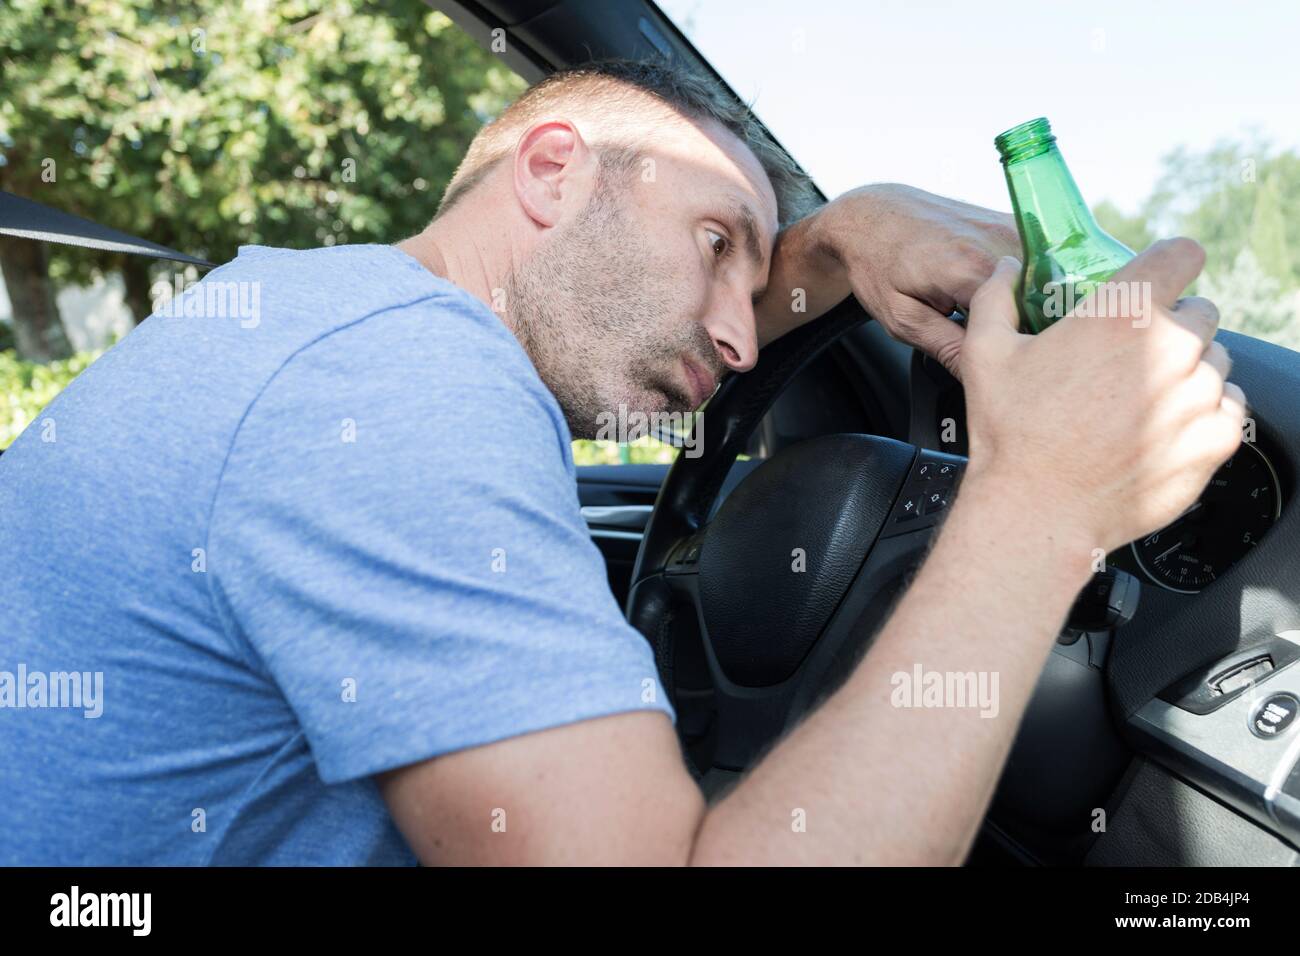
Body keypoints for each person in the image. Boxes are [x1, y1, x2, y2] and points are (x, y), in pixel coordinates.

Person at [0, 60, 1243, 865]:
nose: (742, 332)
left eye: (756, 282)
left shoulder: (316, 322)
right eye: (717, 244)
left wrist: (828, 232)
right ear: (551, 170)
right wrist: (1041, 504)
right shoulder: (398, 389)